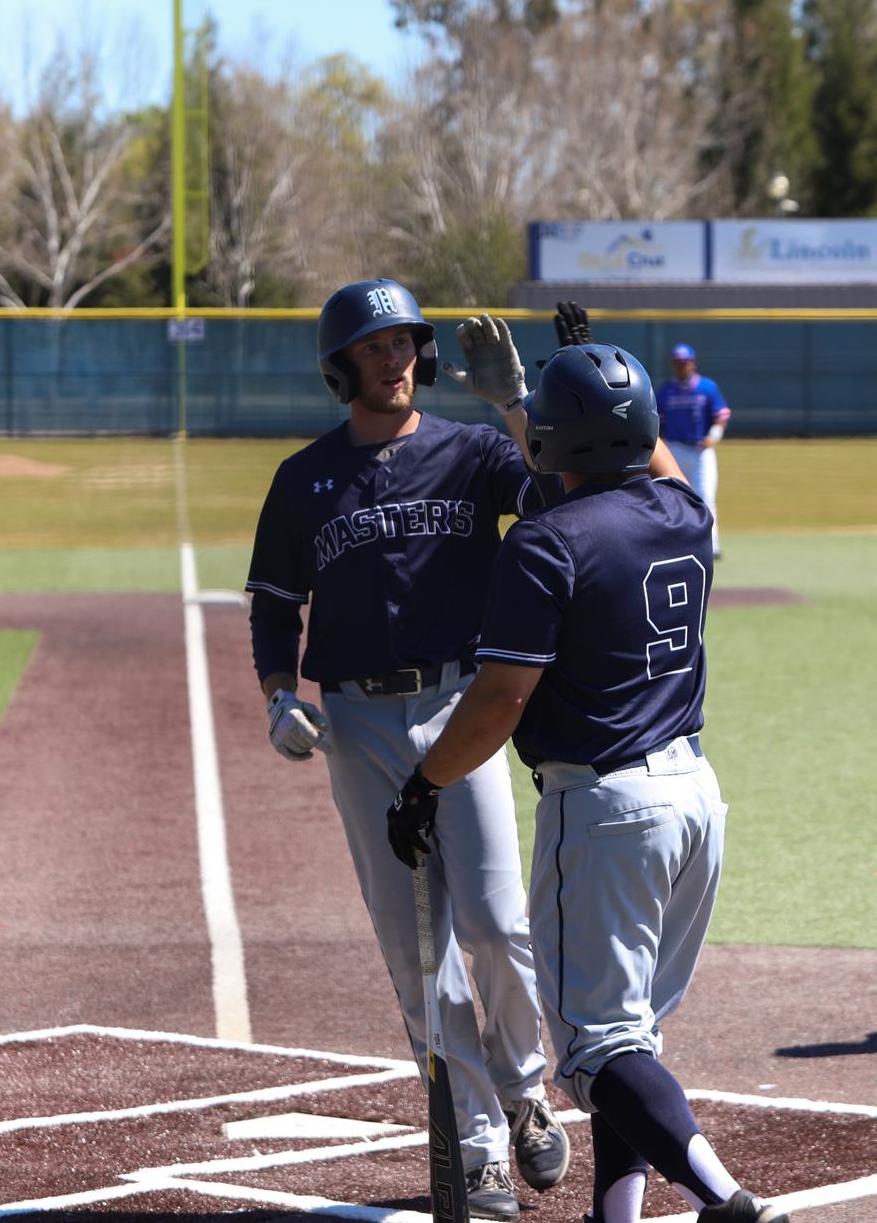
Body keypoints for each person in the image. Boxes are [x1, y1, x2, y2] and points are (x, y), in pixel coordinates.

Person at [385, 340, 786, 1223]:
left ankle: (724, 1195)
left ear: (551, 444)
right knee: (626, 1036)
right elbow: (657, 459)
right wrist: (585, 385)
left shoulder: (543, 543)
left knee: (597, 1051)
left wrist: (424, 781)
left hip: (604, 810)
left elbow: (498, 702)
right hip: (695, 800)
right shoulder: (687, 514)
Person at [245, 279, 581, 1218]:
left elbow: (557, 495)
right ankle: (474, 1145)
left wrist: (517, 406)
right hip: (357, 725)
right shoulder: (303, 478)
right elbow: (274, 601)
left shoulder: (473, 453)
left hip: (459, 709)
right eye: (374, 346)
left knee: (492, 921)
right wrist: (279, 695)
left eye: (404, 343)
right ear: (339, 365)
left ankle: (527, 1096)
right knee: (413, 944)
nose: (394, 359)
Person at [654, 344, 730, 558]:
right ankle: (675, 544)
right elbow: (657, 420)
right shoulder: (666, 391)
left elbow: (721, 416)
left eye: (684, 363)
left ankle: (712, 545)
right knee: (671, 498)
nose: (680, 367)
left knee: (705, 497)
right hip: (675, 450)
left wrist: (713, 436)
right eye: (677, 363)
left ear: (693, 363)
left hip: (700, 451)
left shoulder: (707, 387)